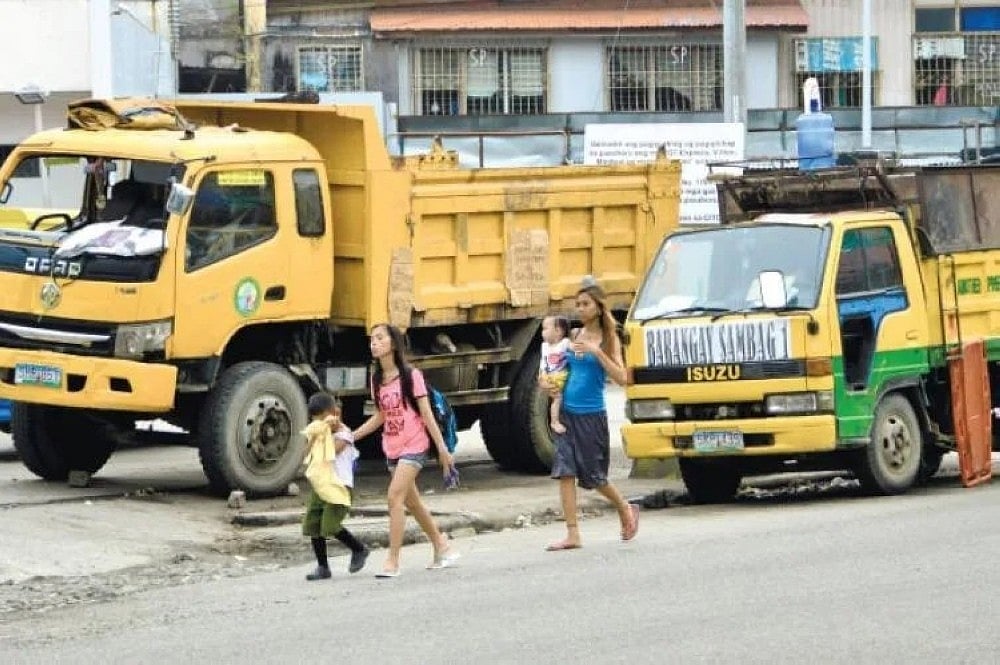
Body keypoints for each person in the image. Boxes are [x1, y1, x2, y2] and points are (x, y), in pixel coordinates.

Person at [351, 323, 459, 578]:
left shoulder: (412, 376)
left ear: (393, 344)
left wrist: (443, 449)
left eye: (380, 338)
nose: (374, 343)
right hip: (392, 446)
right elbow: (380, 416)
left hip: (414, 444)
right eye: (372, 339)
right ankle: (442, 546)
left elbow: (426, 414)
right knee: (413, 502)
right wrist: (352, 436)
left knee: (394, 498)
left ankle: (393, 560)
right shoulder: (377, 379)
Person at [540, 278, 639, 551]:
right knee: (565, 472)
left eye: (585, 304)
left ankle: (625, 508)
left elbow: (622, 378)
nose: (580, 309)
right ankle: (573, 534)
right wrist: (549, 383)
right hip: (567, 414)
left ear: (598, 306)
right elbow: (563, 369)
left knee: (594, 477)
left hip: (592, 417)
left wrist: (597, 351)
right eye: (578, 305)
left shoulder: (609, 339)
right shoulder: (573, 336)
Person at [301, 392, 370, 581]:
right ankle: (323, 566)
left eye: (324, 419)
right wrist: (313, 436)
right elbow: (306, 455)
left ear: (335, 414)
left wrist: (326, 432)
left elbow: (330, 452)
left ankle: (359, 549)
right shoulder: (318, 435)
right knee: (313, 524)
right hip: (322, 486)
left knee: (330, 525)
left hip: (340, 488)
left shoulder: (344, 434)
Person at [539, 315, 571, 434]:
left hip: (554, 376)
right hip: (553, 377)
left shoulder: (564, 343)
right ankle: (554, 422)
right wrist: (542, 375)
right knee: (558, 398)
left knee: (556, 399)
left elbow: (573, 348)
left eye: (545, 329)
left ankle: (555, 420)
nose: (542, 332)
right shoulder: (545, 346)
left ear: (558, 331)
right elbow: (543, 361)